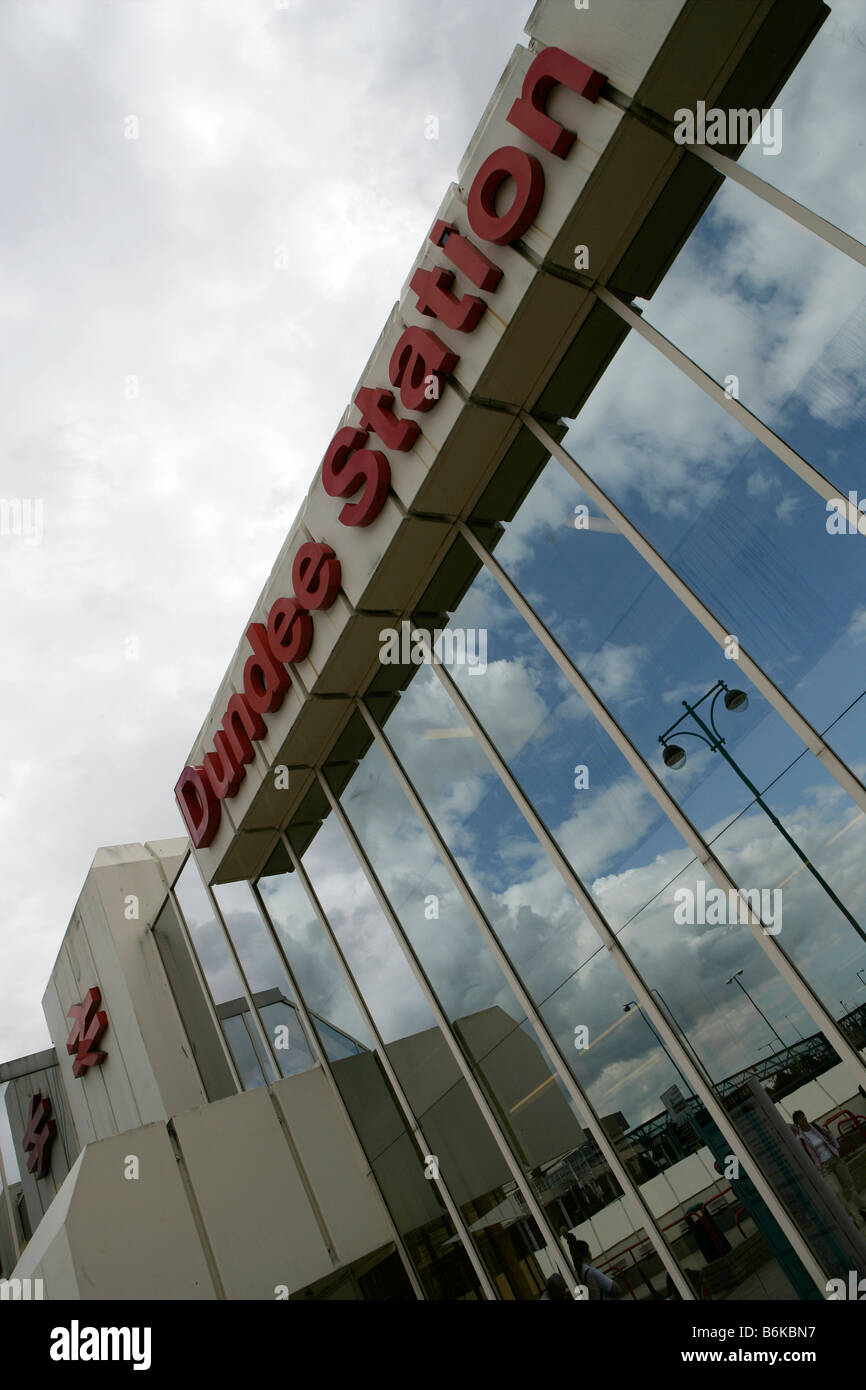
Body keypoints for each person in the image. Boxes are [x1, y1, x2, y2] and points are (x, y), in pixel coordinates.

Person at [791, 1109, 866, 1231]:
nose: (803, 1119)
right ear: (797, 1123)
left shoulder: (816, 1126)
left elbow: (829, 1134)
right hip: (824, 1167)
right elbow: (804, 1155)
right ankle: (854, 1217)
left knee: (849, 1185)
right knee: (838, 1191)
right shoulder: (801, 1139)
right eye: (799, 1118)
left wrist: (836, 1147)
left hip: (835, 1159)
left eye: (803, 1115)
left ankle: (862, 1208)